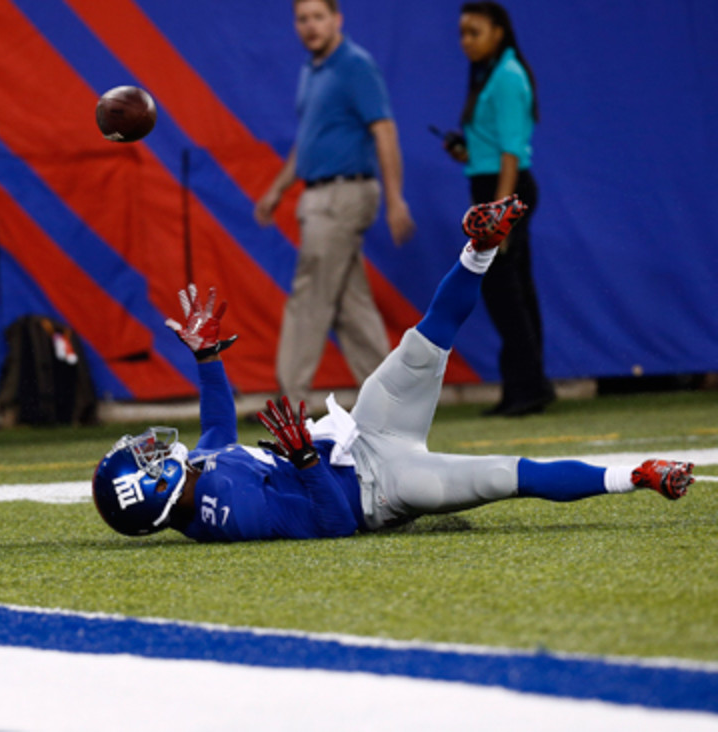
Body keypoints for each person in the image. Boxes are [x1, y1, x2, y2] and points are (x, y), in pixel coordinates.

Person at [92, 196, 693, 541]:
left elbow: (219, 431)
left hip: (360, 438)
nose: (149, 449)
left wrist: (206, 360)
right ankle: (638, 475)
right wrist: (303, 460)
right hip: (383, 489)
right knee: (508, 475)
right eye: (143, 460)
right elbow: (333, 526)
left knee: (422, 343)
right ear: (153, 488)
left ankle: (480, 246)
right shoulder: (232, 515)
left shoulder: (199, 477)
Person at [255, 0, 416, 409]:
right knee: (350, 306)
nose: (310, 26)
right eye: (302, 19)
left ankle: (287, 406)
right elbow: (309, 140)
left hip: (342, 196)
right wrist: (277, 189)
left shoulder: (354, 65)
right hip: (322, 194)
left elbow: (385, 130)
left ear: (337, 19)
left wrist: (396, 198)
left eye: (318, 17)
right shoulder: (311, 71)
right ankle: (391, 401)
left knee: (309, 296)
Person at [444, 1, 554, 417]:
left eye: (474, 32)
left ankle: (524, 389)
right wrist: (465, 152)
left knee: (504, 293)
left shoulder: (507, 75)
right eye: (462, 33)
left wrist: (500, 216)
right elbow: (492, 148)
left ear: (499, 32)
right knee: (517, 291)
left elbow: (510, 154)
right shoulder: (490, 73)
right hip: (494, 187)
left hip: (504, 191)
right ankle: (531, 385)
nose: (465, 41)